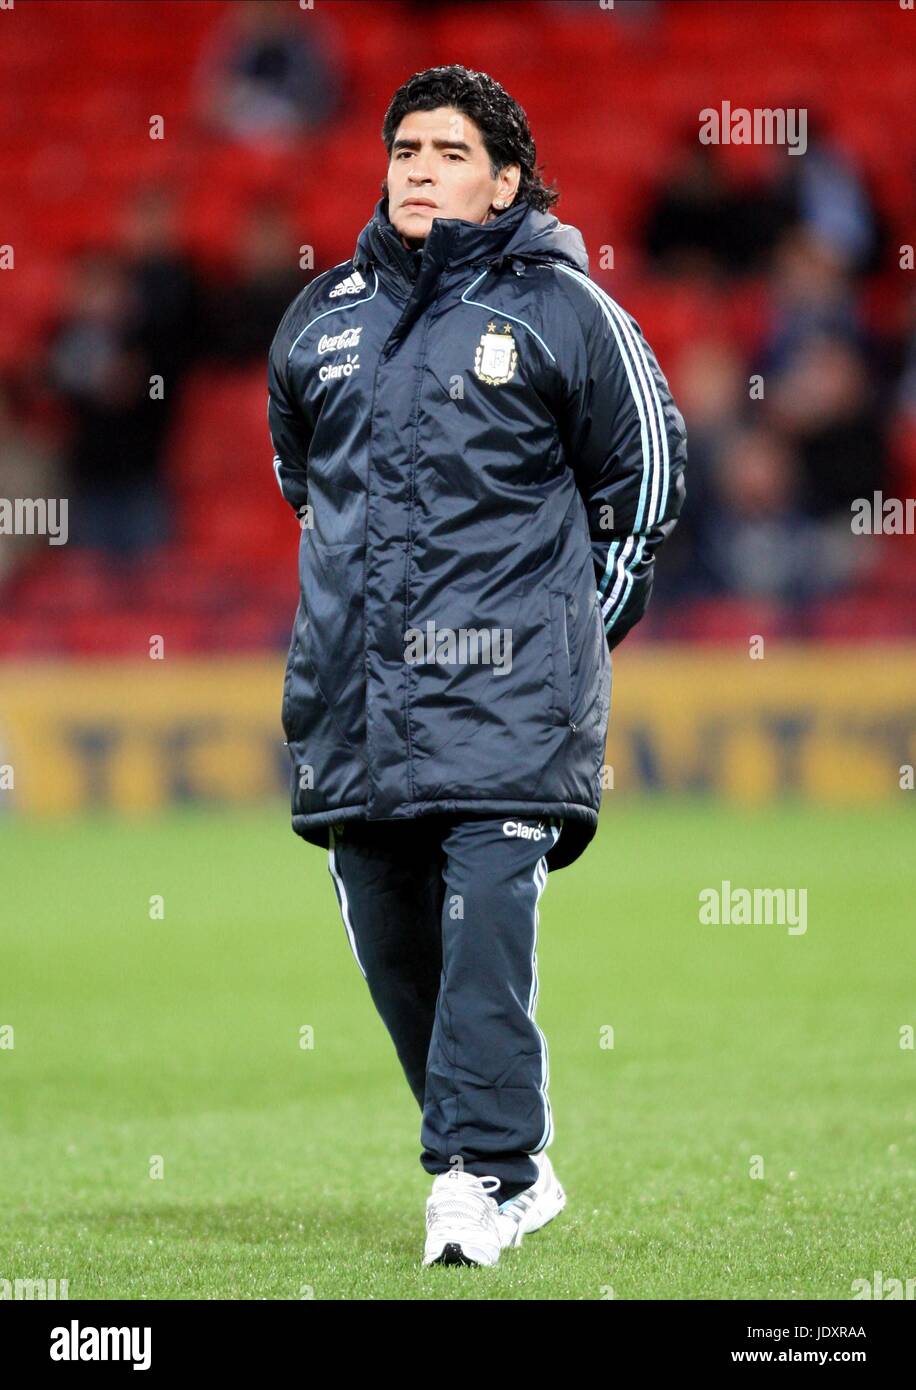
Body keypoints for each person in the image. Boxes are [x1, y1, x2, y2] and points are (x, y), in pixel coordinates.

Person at [266, 65, 687, 1267]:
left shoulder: (563, 309)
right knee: (395, 944)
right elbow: (307, 486)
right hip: (356, 697)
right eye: (404, 148)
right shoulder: (321, 317)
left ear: (505, 181)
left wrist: (564, 637)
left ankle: (475, 1175)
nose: (417, 166)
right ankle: (513, 1158)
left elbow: (645, 479)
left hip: (507, 692)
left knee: (488, 918)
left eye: (449, 151)